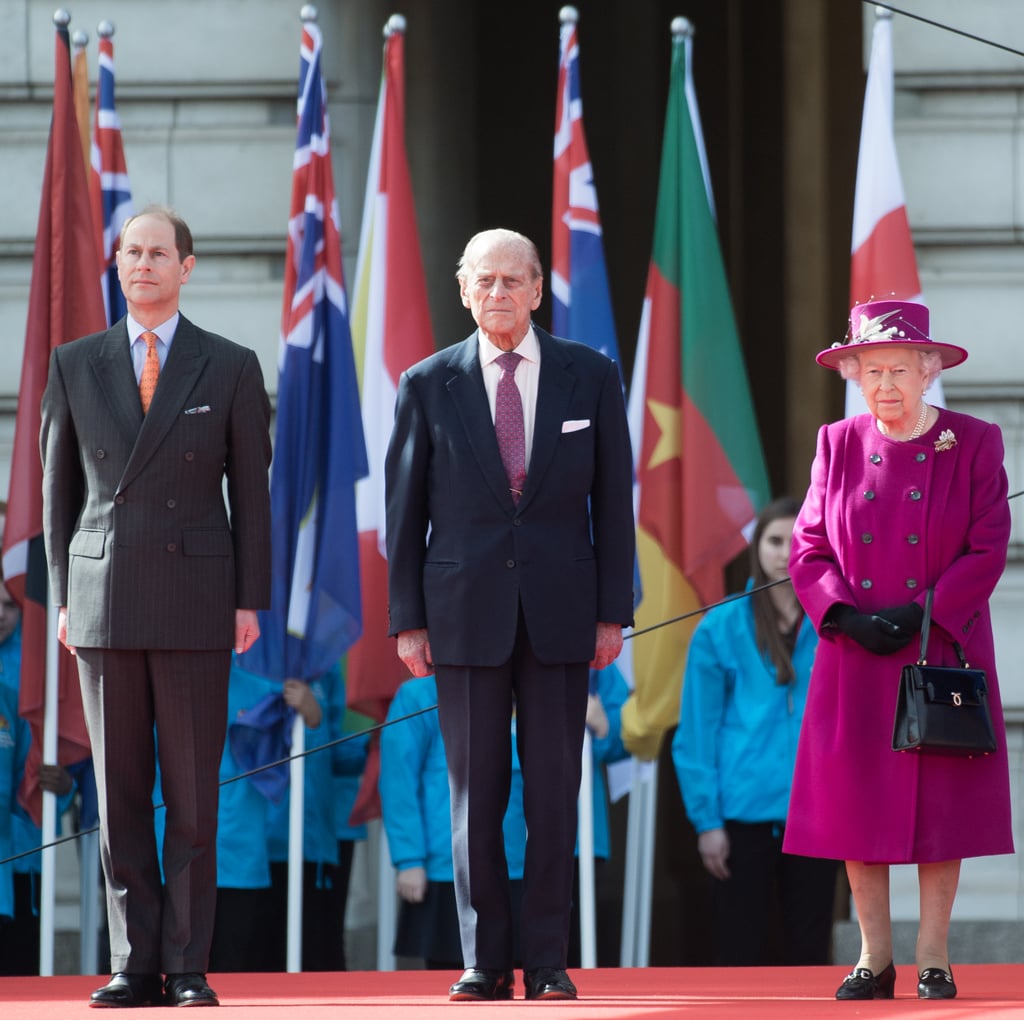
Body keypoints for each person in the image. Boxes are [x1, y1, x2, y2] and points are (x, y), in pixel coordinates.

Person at [384, 228, 635, 1002]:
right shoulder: (428, 383)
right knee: (475, 793)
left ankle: (550, 959)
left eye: (512, 280)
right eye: (483, 281)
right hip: (462, 615)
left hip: (563, 614)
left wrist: (611, 612)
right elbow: (403, 514)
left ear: (537, 290)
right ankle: (485, 959)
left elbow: (613, 504)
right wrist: (408, 620)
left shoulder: (588, 376)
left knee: (555, 789)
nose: (498, 293)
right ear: (464, 291)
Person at [40, 204, 272, 1007]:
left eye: (159, 253)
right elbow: (56, 495)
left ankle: (186, 965)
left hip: (198, 600)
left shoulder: (231, 364)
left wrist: (252, 601)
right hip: (104, 601)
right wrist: (66, 598)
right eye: (131, 252)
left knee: (194, 796)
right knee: (122, 792)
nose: (143, 264)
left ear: (187, 267)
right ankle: (133, 962)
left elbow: (254, 495)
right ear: (116, 263)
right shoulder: (75, 362)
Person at [782, 299, 1013, 1001]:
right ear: (853, 373)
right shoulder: (837, 441)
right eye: (870, 369)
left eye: (898, 370)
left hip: (940, 647)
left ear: (929, 370)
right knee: (857, 803)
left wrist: (925, 611)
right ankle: (873, 957)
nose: (884, 384)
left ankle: (934, 956)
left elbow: (988, 544)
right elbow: (808, 545)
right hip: (857, 657)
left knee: (943, 806)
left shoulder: (974, 442)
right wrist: (843, 614)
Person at [671, 498, 838, 966]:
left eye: (795, 540)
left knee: (810, 953)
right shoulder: (720, 626)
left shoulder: (834, 622)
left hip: (817, 813)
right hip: (740, 818)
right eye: (774, 541)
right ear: (756, 546)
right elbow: (695, 735)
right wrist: (706, 823)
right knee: (738, 952)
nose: (785, 553)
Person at [379, 674, 527, 972]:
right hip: (447, 869)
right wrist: (409, 859)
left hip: (518, 868)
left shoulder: (525, 690)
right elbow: (399, 780)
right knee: (450, 980)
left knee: (522, 980)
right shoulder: (418, 694)